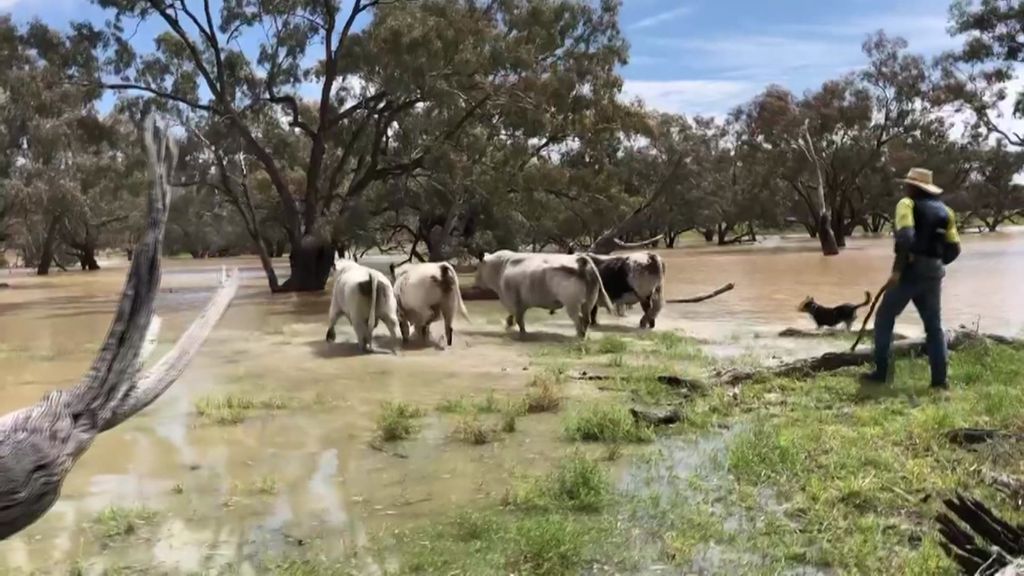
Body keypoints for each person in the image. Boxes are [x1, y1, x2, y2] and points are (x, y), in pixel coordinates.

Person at [862, 167, 961, 389]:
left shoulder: (906, 204)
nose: (905, 187)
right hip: (934, 274)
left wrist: (897, 271)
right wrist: (935, 263)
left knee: (884, 318)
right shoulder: (947, 212)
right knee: (934, 327)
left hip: (910, 271)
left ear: (912, 187)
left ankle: (882, 373)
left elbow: (906, 237)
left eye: (907, 184)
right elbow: (954, 249)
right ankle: (939, 381)